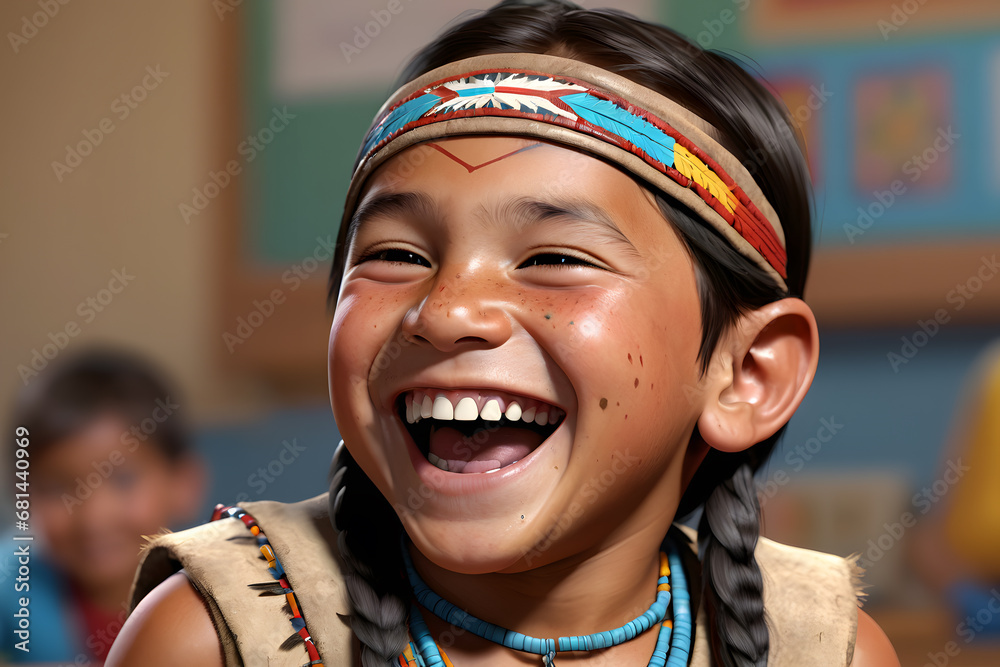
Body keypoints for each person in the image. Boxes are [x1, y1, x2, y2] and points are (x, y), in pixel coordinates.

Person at [108, 2, 899, 665]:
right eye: (397, 254)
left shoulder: (823, 647)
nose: (446, 309)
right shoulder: (215, 635)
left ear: (746, 372)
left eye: (554, 257)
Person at [2, 348, 204, 665]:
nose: (93, 518)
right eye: (57, 488)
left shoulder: (213, 599)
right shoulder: (12, 582)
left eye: (123, 480)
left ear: (184, 485)